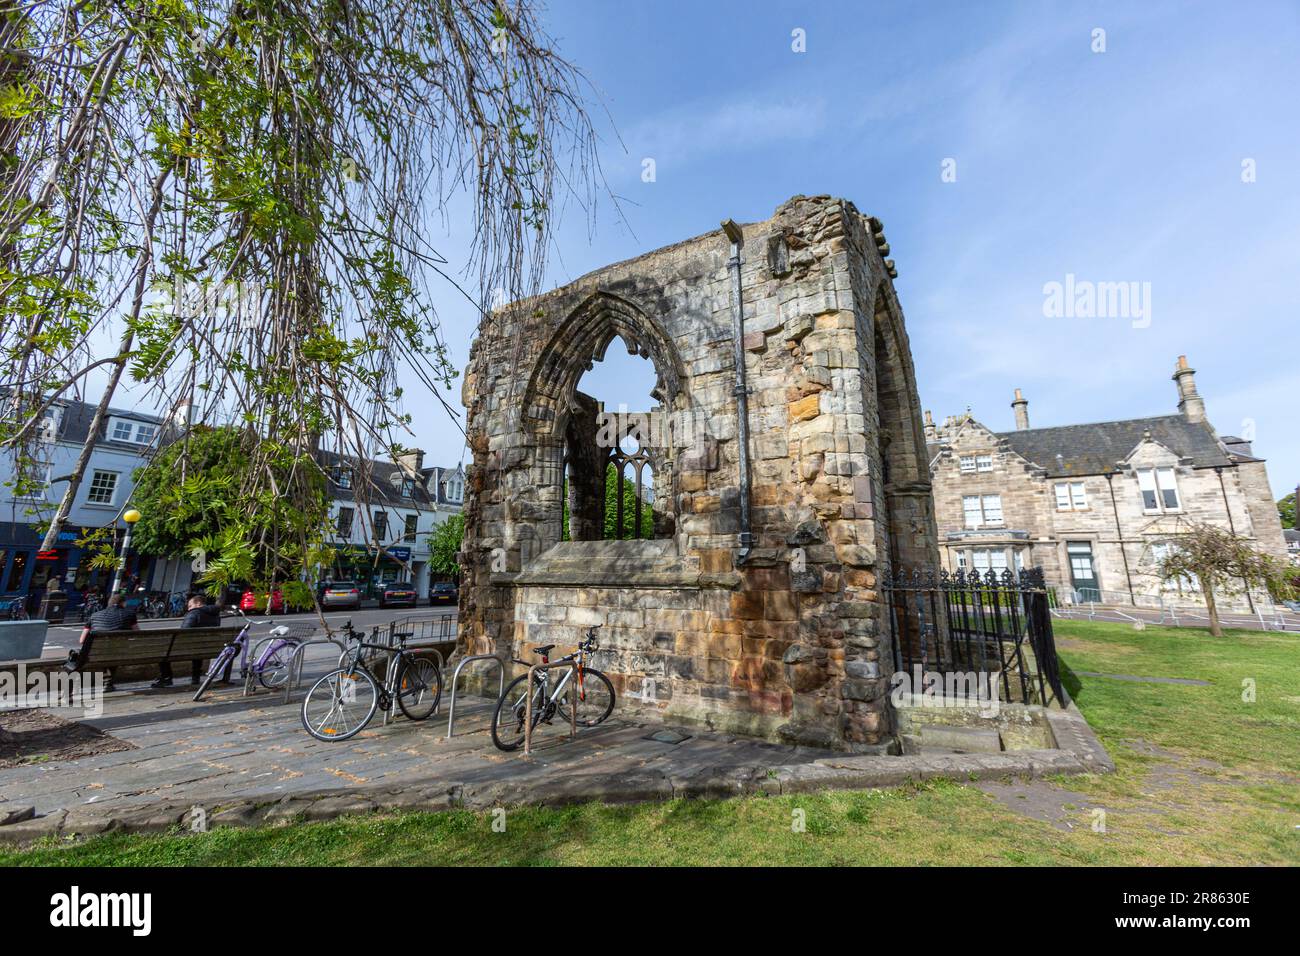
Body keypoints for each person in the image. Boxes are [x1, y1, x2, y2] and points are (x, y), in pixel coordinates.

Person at [153, 591, 222, 688]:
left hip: (190, 647)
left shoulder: (194, 613)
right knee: (198, 646)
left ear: (198, 604)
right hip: (207, 648)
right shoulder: (215, 614)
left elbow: (184, 632)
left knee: (164, 649)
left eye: (190, 605)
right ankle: (195, 677)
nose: (188, 608)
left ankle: (166, 677)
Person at [77, 593, 140, 690]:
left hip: (95, 653)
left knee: (107, 650)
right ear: (123, 603)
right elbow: (138, 634)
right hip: (119, 652)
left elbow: (82, 640)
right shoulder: (130, 614)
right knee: (115, 649)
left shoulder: (94, 615)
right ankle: (108, 683)